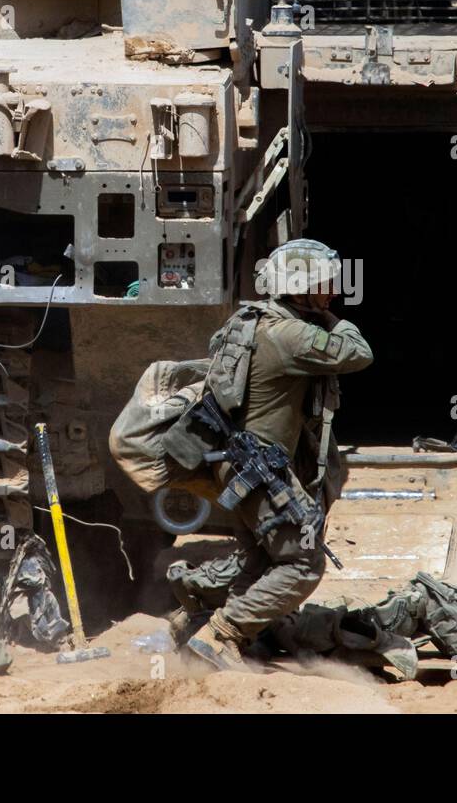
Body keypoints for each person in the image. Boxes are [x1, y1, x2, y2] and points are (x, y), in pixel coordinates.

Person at [184, 239, 373, 671]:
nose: (333, 293)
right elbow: (359, 352)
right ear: (300, 289)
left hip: (235, 467)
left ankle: (205, 634)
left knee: (261, 563)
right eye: (324, 285)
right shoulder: (291, 334)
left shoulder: (248, 321)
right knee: (304, 563)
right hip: (261, 471)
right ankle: (222, 633)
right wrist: (330, 320)